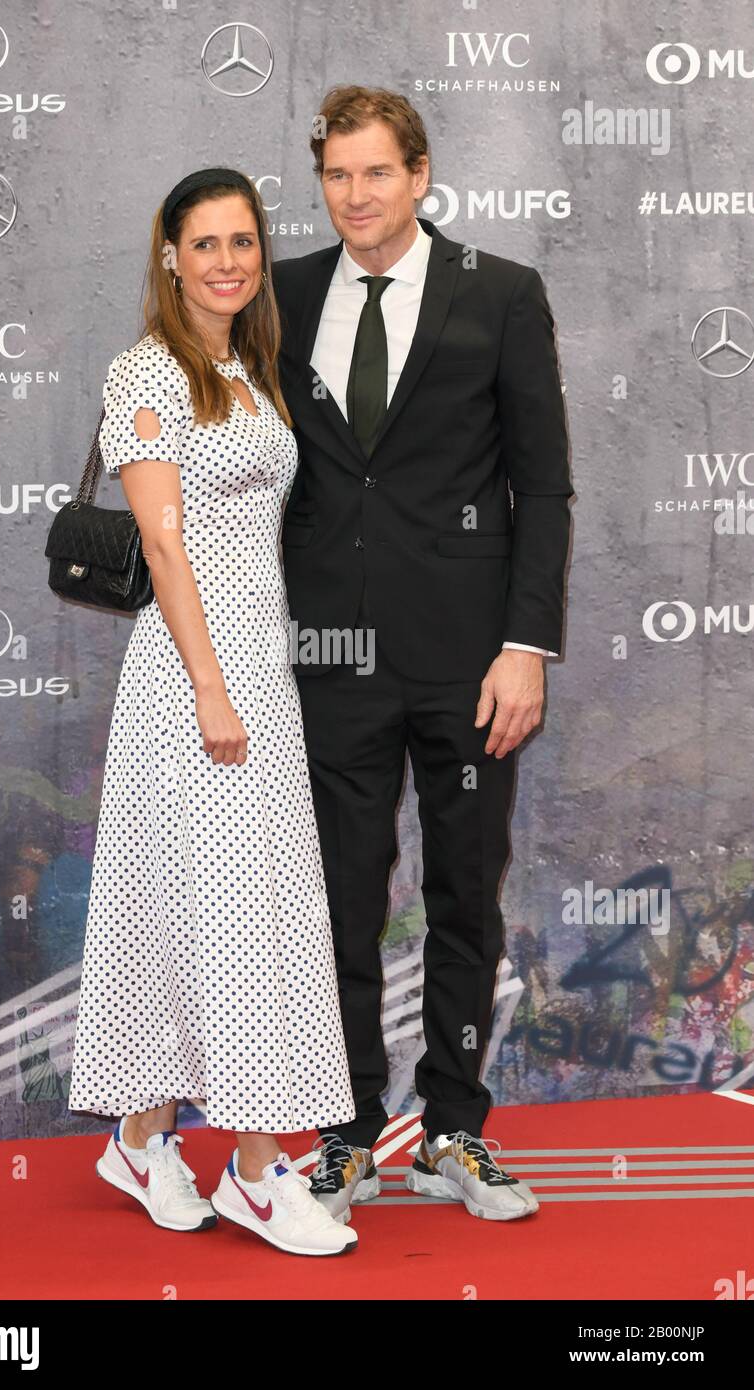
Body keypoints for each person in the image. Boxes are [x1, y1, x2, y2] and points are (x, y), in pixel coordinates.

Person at [271, 87, 574, 1222]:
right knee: (340, 900)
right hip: (330, 657)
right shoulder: (283, 293)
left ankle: (453, 1126)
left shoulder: (498, 294)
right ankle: (346, 1130)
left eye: (376, 174)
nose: (355, 197)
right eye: (336, 177)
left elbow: (538, 484)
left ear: (420, 174)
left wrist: (525, 644)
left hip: (468, 661)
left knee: (462, 896)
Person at [67, 167, 358, 1257]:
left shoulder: (247, 367)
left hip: (254, 670)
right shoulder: (145, 371)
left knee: (207, 906)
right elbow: (163, 541)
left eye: (243, 241)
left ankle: (141, 1142)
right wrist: (207, 685)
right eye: (205, 243)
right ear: (169, 256)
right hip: (194, 680)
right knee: (232, 913)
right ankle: (253, 1165)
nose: (228, 261)